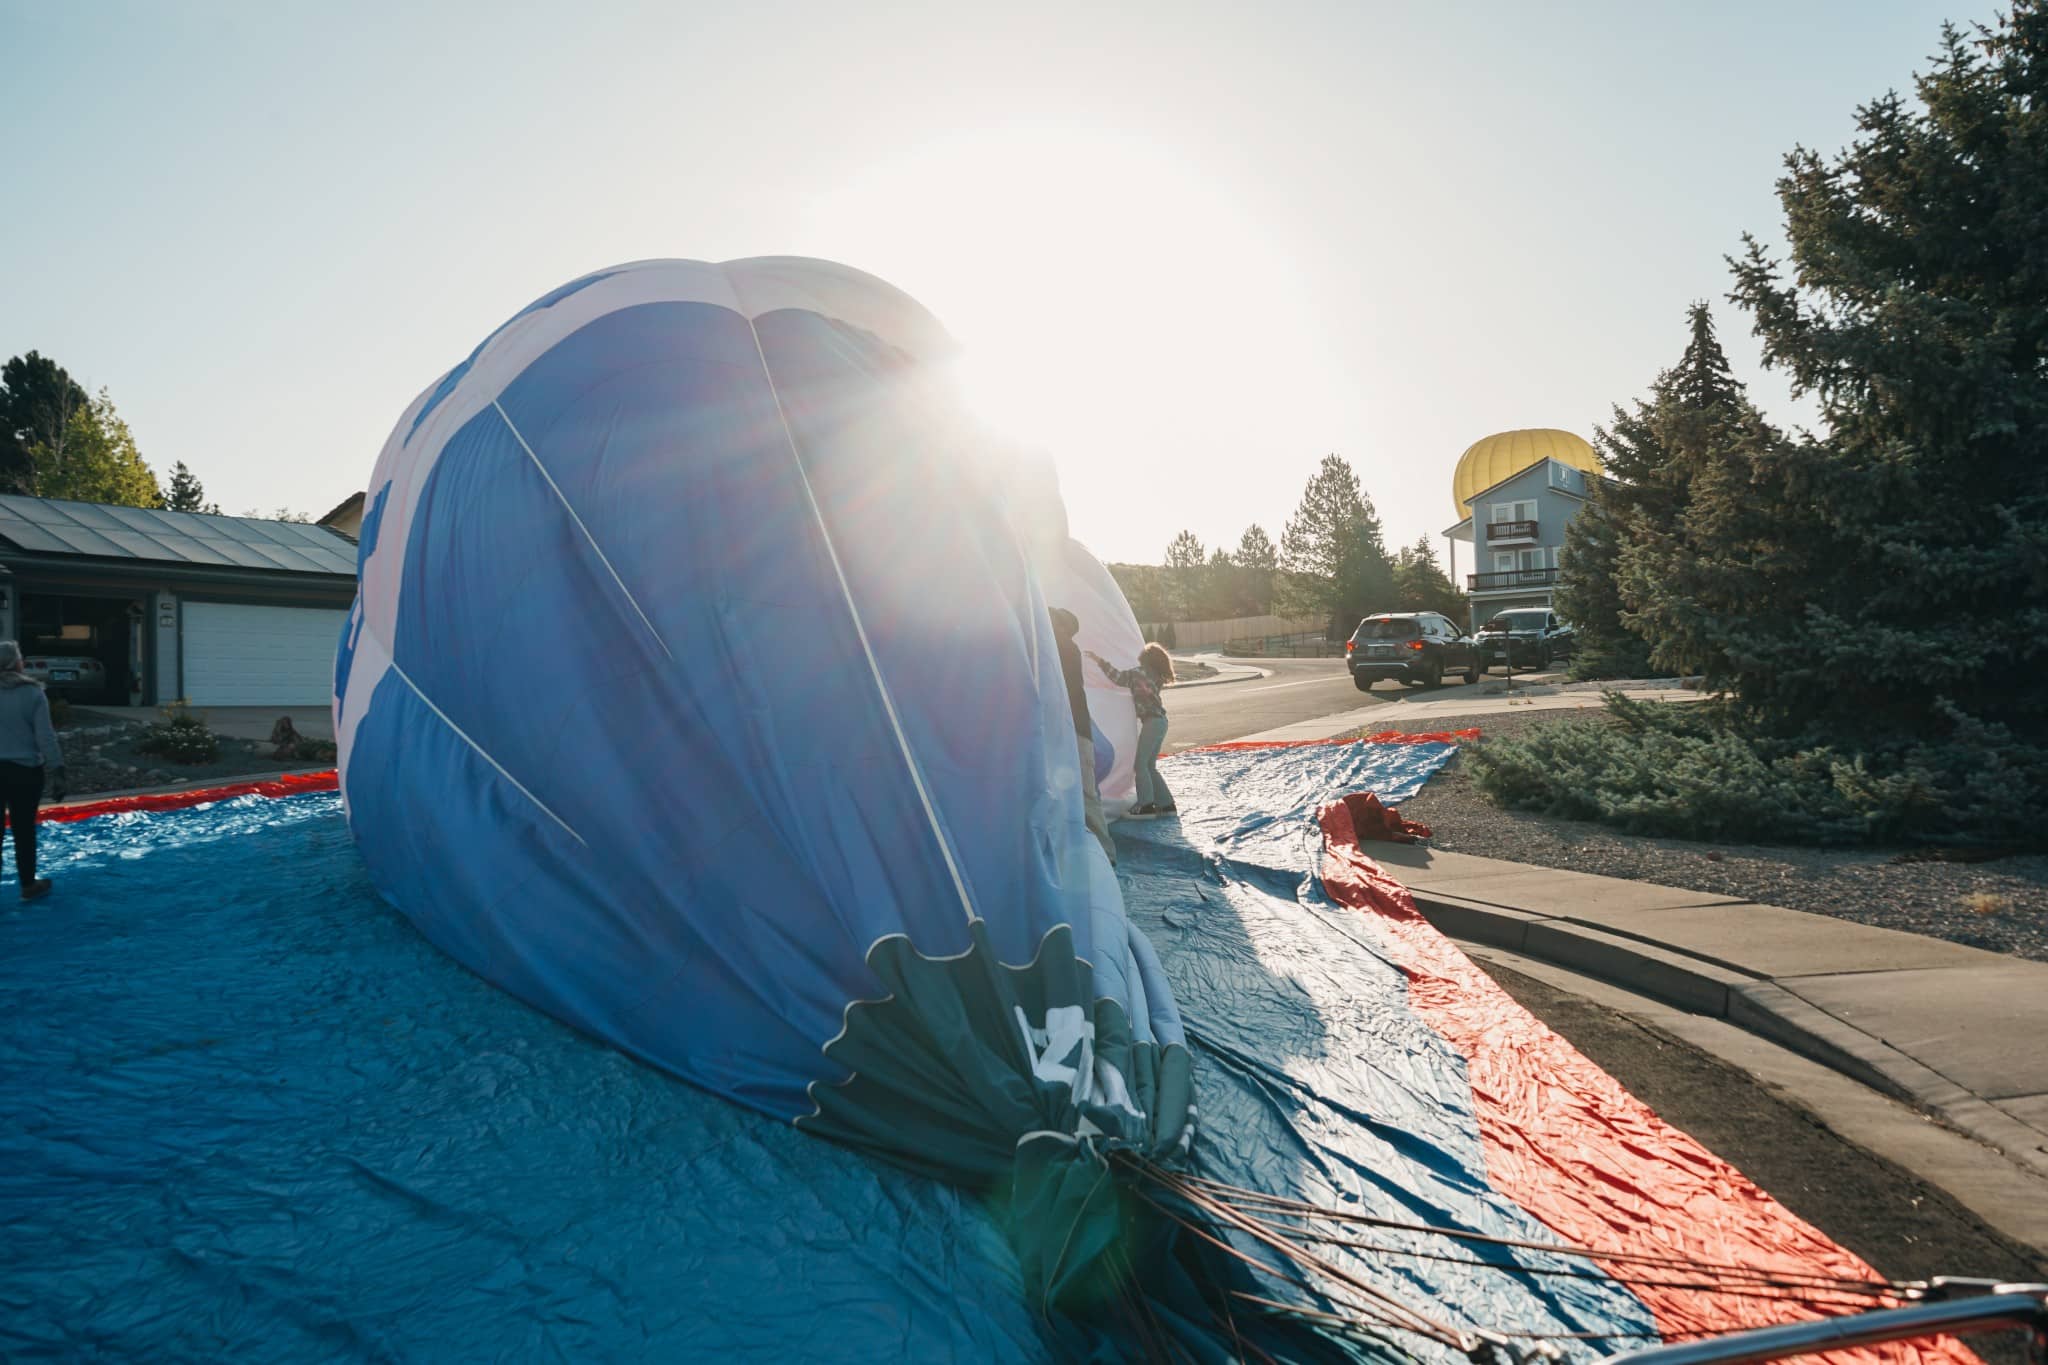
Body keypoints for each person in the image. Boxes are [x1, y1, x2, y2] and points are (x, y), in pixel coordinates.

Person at [1049, 609, 1115, 865]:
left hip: (1074, 733)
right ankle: (1096, 855)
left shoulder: (1063, 646)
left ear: (1062, 626)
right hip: (1071, 732)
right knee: (1079, 794)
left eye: (1051, 616)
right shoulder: (1063, 646)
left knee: (1086, 796)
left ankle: (1106, 858)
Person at [0, 640, 63, 900]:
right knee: (23, 829)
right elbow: (45, 736)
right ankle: (27, 885)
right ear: (16, 662)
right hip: (25, 771)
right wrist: (57, 769)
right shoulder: (33, 693)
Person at [1087, 642, 1175, 818]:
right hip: (1160, 722)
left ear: (1145, 658)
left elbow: (1117, 677)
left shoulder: (1137, 673)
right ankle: (1166, 805)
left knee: (1141, 764)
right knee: (1150, 765)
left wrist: (1099, 661)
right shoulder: (1156, 676)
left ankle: (1146, 805)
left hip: (1152, 722)